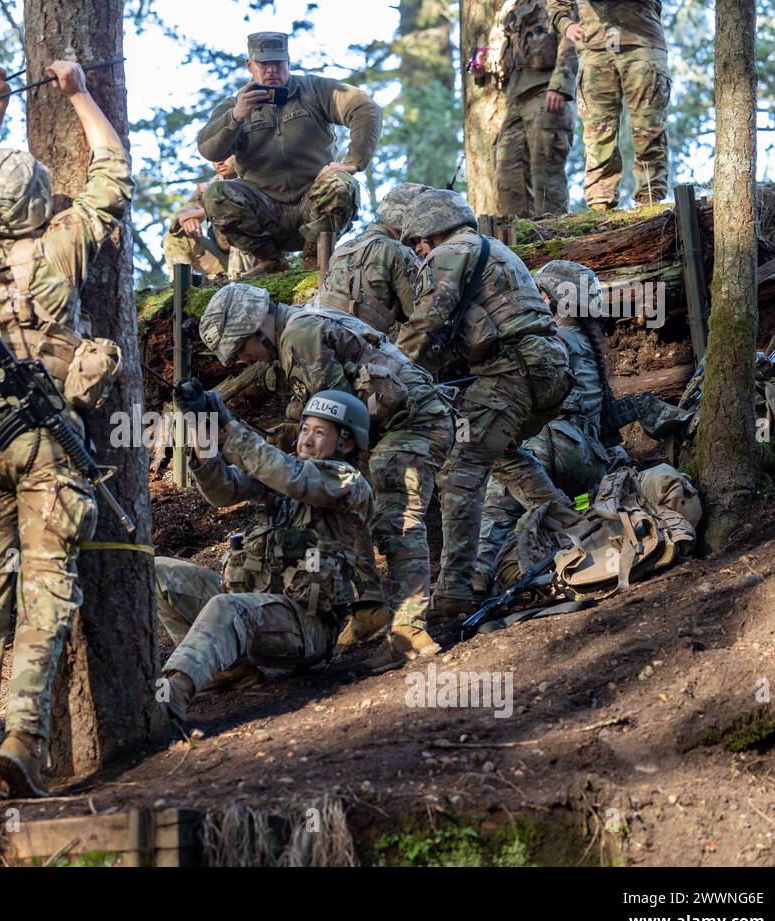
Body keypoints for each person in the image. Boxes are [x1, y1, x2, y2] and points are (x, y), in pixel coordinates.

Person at [0, 62, 132, 800]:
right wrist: (79, 92)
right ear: (37, 199)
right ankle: (22, 739)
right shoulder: (60, 248)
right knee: (47, 592)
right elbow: (113, 170)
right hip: (50, 446)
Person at [199, 279, 453, 657]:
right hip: (390, 425)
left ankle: (408, 629)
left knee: (396, 515)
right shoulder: (303, 322)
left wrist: (245, 444)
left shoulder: (299, 336)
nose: (241, 360)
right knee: (342, 502)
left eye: (240, 349)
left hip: (413, 425)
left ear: (256, 328)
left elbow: (334, 434)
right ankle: (369, 612)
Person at [395, 189, 576, 624]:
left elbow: (428, 322)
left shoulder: (451, 253)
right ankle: (573, 528)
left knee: (459, 468)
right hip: (550, 367)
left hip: (512, 370)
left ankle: (455, 591)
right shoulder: (496, 250)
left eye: (420, 238)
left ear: (440, 225)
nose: (418, 248)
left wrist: (388, 367)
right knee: (503, 454)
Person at [157, 388, 381, 719]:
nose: (306, 440)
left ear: (346, 444)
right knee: (158, 572)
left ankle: (168, 696)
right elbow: (223, 490)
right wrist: (202, 427)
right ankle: (229, 672)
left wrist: (229, 426)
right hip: (256, 604)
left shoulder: (347, 482)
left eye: (320, 433)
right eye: (305, 428)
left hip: (306, 626)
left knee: (226, 607)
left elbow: (286, 475)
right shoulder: (289, 471)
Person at [474, 259, 615, 589]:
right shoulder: (590, 345)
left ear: (548, 299)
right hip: (590, 459)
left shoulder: (557, 340)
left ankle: (478, 574)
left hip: (556, 446)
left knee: (499, 482)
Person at [196, 31, 382, 277]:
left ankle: (314, 258)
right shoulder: (234, 105)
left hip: (314, 204)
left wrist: (353, 163)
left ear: (288, 62)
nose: (271, 70)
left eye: (277, 63)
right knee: (217, 194)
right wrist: (237, 117)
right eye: (264, 64)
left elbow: (365, 108)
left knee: (340, 183)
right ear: (250, 65)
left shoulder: (314, 90)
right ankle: (270, 260)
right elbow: (209, 149)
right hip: (264, 211)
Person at [546, 0, 671, 208]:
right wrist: (565, 23)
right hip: (594, 47)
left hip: (641, 40)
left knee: (649, 128)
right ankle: (599, 205)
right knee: (597, 135)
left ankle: (650, 201)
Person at [482, 0, 577, 217]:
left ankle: (556, 235)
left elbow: (571, 40)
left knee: (546, 170)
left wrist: (560, 85)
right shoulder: (509, 8)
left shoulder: (555, 3)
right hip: (515, 99)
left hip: (545, 91)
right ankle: (521, 238)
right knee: (507, 174)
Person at [314, 182, 431, 335]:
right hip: (366, 342)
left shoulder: (343, 248)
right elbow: (417, 315)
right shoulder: (398, 251)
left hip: (324, 331)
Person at [162, 156, 247, 280]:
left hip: (254, 259)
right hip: (224, 262)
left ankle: (238, 283)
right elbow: (184, 212)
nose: (219, 161)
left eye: (226, 155)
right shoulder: (208, 187)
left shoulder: (253, 178)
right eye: (215, 157)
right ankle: (181, 288)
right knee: (177, 233)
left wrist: (204, 212)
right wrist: (187, 218)